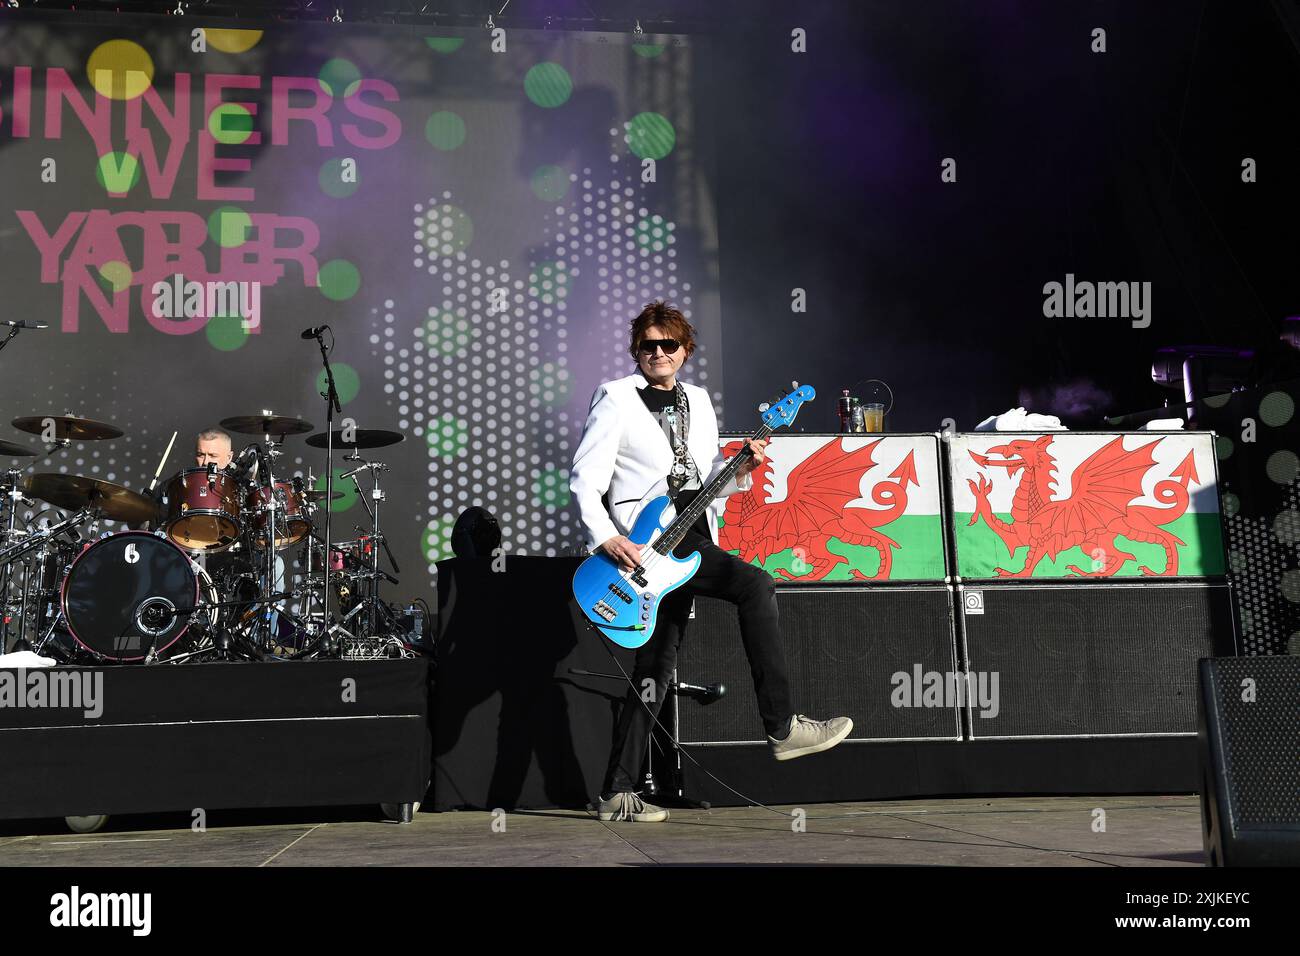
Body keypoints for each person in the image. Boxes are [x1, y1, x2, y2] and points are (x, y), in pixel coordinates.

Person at [570, 301, 853, 823]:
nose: (658, 353)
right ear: (636, 349)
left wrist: (742, 466)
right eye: (648, 345)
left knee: (655, 667)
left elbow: (705, 481)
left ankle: (615, 792)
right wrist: (607, 539)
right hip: (642, 545)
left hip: (692, 534)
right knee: (756, 586)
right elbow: (585, 479)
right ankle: (782, 726)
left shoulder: (699, 401)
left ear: (685, 351)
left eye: (668, 345)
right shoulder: (615, 398)